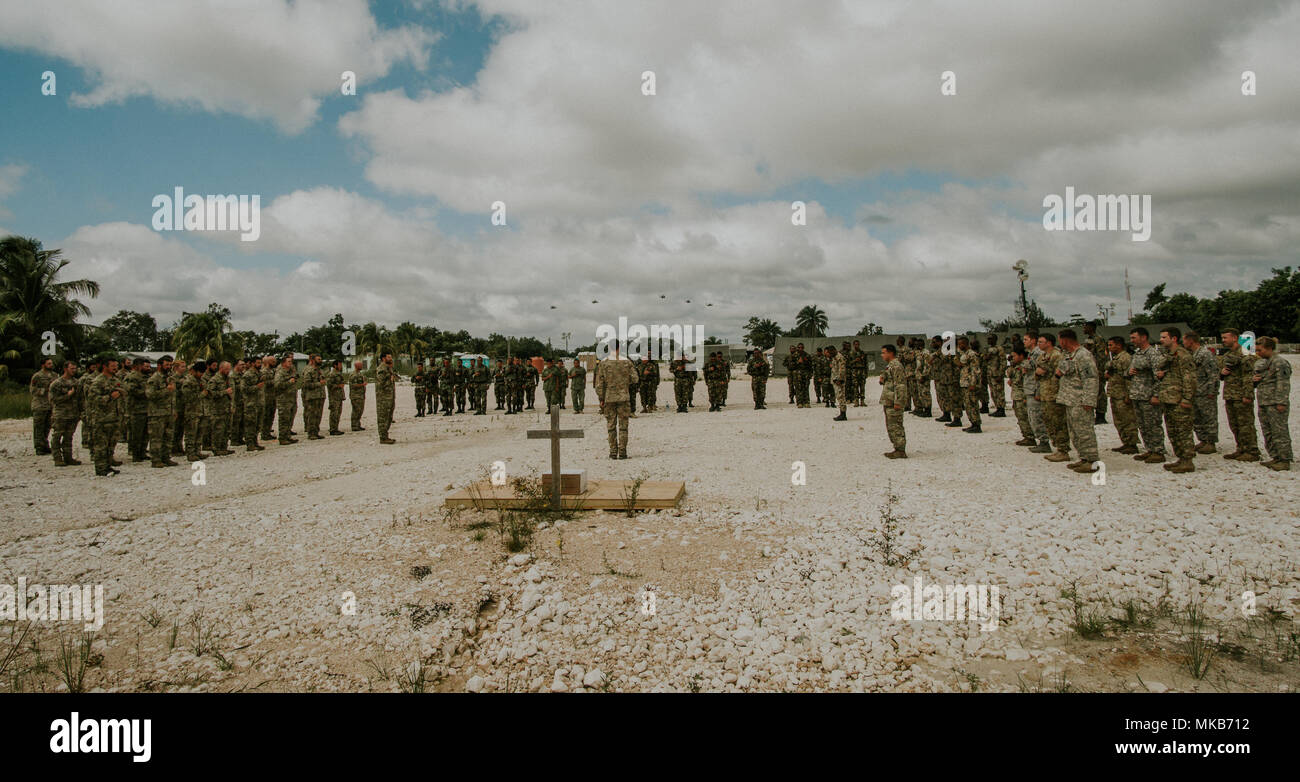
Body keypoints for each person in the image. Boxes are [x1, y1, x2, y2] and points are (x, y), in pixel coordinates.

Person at [1055, 329, 1100, 472]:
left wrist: (1089, 401)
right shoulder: (1069, 355)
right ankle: (1084, 458)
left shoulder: (1083, 356)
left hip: (1081, 401)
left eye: (1060, 340)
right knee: (1075, 431)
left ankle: (1092, 460)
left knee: (1084, 431)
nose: (1059, 343)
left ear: (1064, 340)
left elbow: (1091, 379)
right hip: (1070, 400)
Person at [1154, 327, 1196, 472]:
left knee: (1183, 431)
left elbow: (1189, 379)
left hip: (1179, 399)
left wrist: (1187, 399)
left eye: (1164, 337)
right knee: (1173, 431)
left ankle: (1188, 460)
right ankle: (1180, 458)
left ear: (1174, 339)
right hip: (1168, 398)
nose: (1161, 340)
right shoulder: (1169, 355)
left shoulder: (1183, 356)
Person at [1218, 329, 1260, 461]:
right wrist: (1222, 373)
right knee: (1234, 424)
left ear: (1235, 338)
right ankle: (1241, 448)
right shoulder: (1228, 354)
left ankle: (1252, 451)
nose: (1223, 340)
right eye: (1222, 338)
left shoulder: (1246, 354)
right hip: (1230, 394)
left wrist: (1247, 395)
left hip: (1241, 395)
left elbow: (1248, 376)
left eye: (1225, 338)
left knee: (1246, 424)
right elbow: (1221, 372)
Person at [1127, 327, 1166, 463]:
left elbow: (1159, 376)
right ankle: (1149, 449)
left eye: (1134, 338)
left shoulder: (1153, 354)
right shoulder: (1137, 353)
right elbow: (1130, 371)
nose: (1131, 340)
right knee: (1143, 425)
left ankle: (1158, 451)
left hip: (1148, 396)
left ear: (1143, 337)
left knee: (1153, 424)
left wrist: (1156, 395)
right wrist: (1129, 372)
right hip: (1137, 394)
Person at [1253, 336, 1291, 471]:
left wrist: (1281, 402)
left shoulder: (1280, 363)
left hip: (1275, 403)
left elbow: (1283, 384)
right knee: (1268, 431)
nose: (1258, 353)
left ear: (1269, 348)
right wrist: (1255, 380)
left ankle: (1284, 459)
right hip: (1264, 401)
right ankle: (1275, 456)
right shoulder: (1264, 363)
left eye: (1260, 350)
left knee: (1279, 431)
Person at [594, 342, 637, 459]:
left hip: (609, 398)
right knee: (623, 426)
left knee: (611, 426)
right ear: (619, 347)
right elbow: (635, 378)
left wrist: (601, 398)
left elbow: (599, 384)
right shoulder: (626, 362)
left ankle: (613, 452)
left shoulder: (603, 363)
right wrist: (624, 383)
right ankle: (622, 452)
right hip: (624, 397)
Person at [1182, 331, 1219, 454]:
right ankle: (1203, 439)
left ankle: (1211, 442)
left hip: (1205, 392)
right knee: (1197, 418)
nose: (1183, 343)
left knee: (1208, 417)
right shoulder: (1191, 354)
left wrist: (1212, 391)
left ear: (1191, 341)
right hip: (1195, 392)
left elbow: (1213, 374)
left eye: (1184, 340)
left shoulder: (1205, 354)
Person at [1103, 337, 1140, 454]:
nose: (1109, 348)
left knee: (1127, 420)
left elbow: (1129, 378)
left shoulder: (1125, 358)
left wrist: (1129, 395)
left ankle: (1132, 444)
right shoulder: (1115, 358)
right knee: (1119, 420)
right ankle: (1126, 442)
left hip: (1123, 394)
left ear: (1118, 345)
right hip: (1115, 393)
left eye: (1110, 345)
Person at [89, 357, 124, 476]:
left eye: (116, 366)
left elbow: (124, 391)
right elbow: (93, 399)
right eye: (113, 366)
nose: (116, 368)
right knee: (101, 445)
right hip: (102, 418)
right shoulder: (98, 381)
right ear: (105, 367)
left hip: (114, 417)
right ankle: (101, 468)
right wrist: (110, 397)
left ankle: (108, 465)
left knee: (111, 443)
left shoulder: (115, 380)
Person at [146, 355, 178, 466]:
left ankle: (166, 457)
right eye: (167, 365)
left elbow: (173, 396)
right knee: (156, 437)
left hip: (168, 412)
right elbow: (150, 395)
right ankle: (156, 459)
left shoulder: (170, 378)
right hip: (157, 413)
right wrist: (166, 390)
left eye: (170, 365)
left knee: (168, 436)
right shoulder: (154, 379)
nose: (169, 367)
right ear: (159, 365)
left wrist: (174, 410)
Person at [48, 360, 81, 466]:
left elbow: (80, 399)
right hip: (61, 414)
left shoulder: (76, 382)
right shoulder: (57, 383)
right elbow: (53, 400)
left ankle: (68, 457)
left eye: (75, 369)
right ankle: (57, 458)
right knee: (57, 436)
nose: (74, 371)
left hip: (73, 414)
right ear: (65, 369)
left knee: (68, 437)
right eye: (72, 369)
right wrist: (68, 395)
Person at [878, 344, 907, 457]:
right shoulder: (890, 365)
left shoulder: (896, 366)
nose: (882, 355)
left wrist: (898, 402)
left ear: (890, 353)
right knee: (891, 425)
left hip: (893, 401)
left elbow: (900, 385)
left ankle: (900, 450)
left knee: (895, 425)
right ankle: (897, 448)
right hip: (889, 400)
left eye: (883, 352)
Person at [1007, 345, 1036, 445]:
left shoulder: (1025, 366)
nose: (1013, 358)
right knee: (1020, 417)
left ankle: (1030, 437)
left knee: (1024, 417)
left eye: (1014, 356)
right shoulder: (1016, 366)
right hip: (1016, 395)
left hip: (1022, 396)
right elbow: (1009, 374)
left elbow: (1027, 382)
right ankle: (1027, 436)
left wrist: (1025, 397)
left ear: (1021, 355)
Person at [207, 361, 235, 455]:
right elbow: (211, 394)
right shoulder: (214, 379)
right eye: (226, 369)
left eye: (229, 369)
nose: (228, 371)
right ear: (221, 368)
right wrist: (224, 392)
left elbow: (232, 393)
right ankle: (216, 448)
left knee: (227, 429)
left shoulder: (229, 379)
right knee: (218, 429)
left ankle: (224, 447)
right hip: (217, 409)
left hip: (227, 408)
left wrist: (232, 405)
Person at [29, 356, 56, 454]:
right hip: (39, 405)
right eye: (49, 363)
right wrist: (45, 390)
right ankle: (39, 447)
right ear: (43, 365)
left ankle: (45, 445)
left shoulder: (54, 375)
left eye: (51, 363)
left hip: (50, 405)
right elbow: (33, 390)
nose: (51, 365)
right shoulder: (37, 376)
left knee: (47, 427)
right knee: (38, 427)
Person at [955, 336, 982, 433]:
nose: (959, 346)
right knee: (968, 405)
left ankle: (976, 424)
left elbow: (975, 370)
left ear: (966, 344)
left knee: (972, 404)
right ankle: (973, 423)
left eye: (961, 344)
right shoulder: (964, 354)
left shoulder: (971, 354)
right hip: (964, 383)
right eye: (958, 344)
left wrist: (973, 383)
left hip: (970, 383)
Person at [273, 355, 298, 446]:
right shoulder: (280, 373)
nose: (290, 363)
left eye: (291, 362)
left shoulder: (290, 371)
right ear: (283, 363)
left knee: (289, 419)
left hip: (291, 399)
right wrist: (288, 382)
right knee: (284, 419)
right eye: (288, 361)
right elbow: (277, 385)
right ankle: (282, 438)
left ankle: (287, 436)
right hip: (283, 400)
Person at [242, 357, 266, 451]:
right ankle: (250, 443)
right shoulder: (248, 374)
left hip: (259, 403)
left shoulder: (259, 373)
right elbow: (244, 389)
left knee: (258, 424)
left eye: (260, 363)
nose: (259, 364)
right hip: (251, 404)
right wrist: (256, 387)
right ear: (252, 364)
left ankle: (255, 442)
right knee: (250, 424)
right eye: (258, 363)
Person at [376, 351, 397, 443]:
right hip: (383, 398)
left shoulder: (388, 368)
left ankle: (385, 436)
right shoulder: (382, 369)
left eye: (391, 357)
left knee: (388, 417)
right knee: (383, 417)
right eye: (389, 357)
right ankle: (383, 437)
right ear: (383, 358)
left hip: (389, 396)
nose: (391, 359)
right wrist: (390, 379)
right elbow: (380, 384)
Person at [326, 359, 346, 435]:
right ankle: (333, 429)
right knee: (334, 413)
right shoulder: (332, 374)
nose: (341, 366)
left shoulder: (338, 373)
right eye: (340, 365)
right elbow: (329, 385)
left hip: (339, 396)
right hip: (334, 397)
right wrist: (338, 386)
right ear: (335, 365)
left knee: (338, 413)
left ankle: (335, 428)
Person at [829, 344, 847, 421]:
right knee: (839, 396)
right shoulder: (834, 357)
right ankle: (842, 413)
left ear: (834, 350)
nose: (830, 354)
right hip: (835, 380)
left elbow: (842, 369)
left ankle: (843, 414)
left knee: (841, 396)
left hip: (839, 381)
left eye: (830, 352)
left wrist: (840, 379)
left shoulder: (839, 357)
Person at [348, 360, 367, 431]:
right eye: (360, 365)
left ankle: (357, 424)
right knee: (356, 410)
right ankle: (354, 426)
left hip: (361, 395)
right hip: (355, 396)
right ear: (356, 366)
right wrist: (362, 385)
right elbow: (353, 385)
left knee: (360, 410)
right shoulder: (353, 375)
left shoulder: (360, 374)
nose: (362, 366)